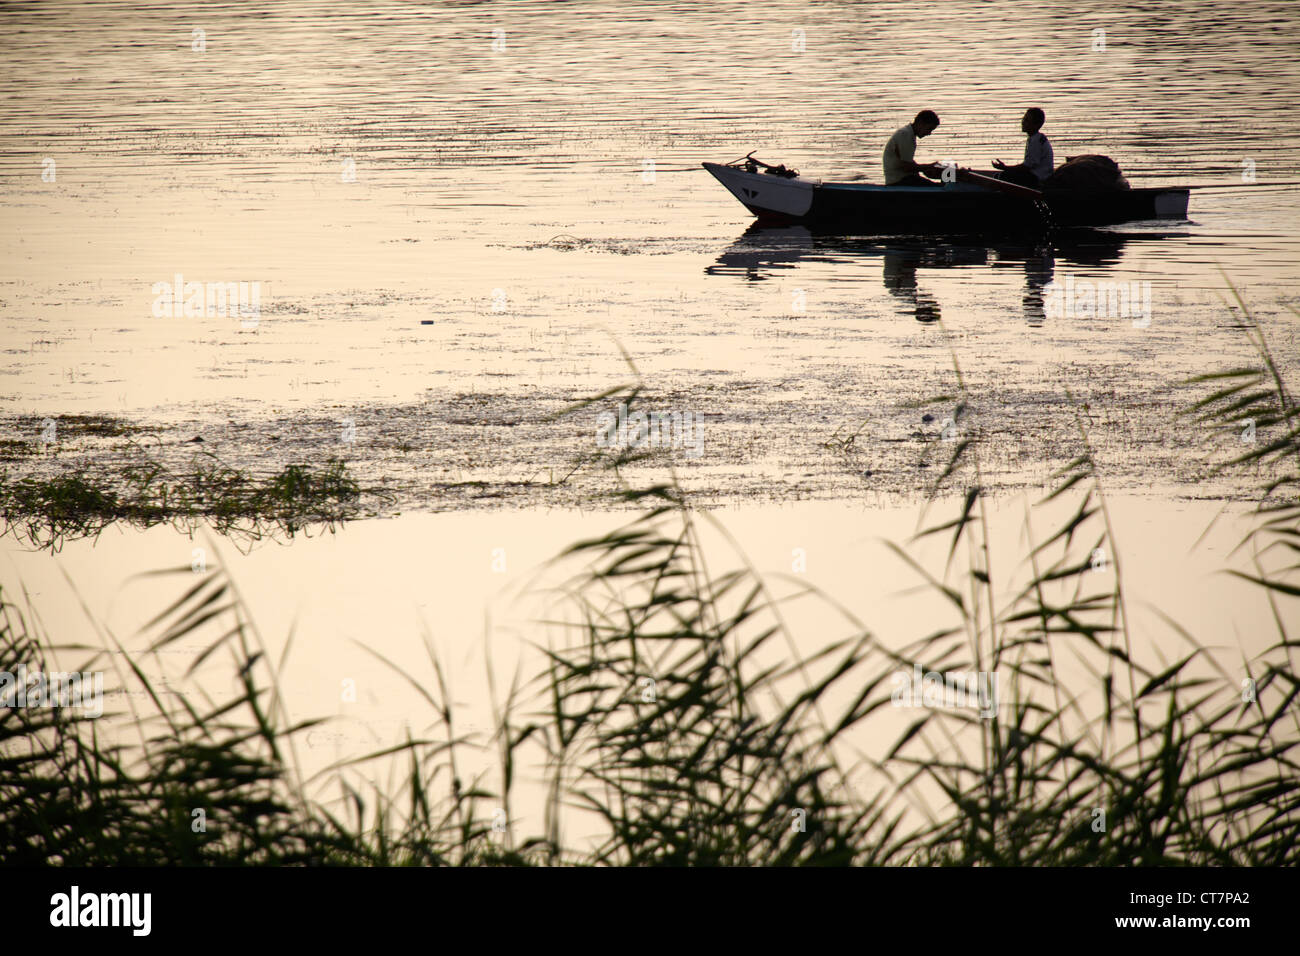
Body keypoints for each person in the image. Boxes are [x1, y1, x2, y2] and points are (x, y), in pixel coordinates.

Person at [992, 108, 1053, 187]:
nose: (1023, 122)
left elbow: (1027, 167)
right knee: (1000, 176)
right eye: (1024, 119)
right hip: (1037, 176)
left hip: (1038, 179)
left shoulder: (1036, 141)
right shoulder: (1035, 138)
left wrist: (1005, 168)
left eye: (1027, 120)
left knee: (1003, 176)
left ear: (1036, 125)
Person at [883, 110, 944, 186]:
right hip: (899, 181)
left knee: (941, 182)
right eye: (929, 129)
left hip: (906, 178)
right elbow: (906, 167)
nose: (929, 133)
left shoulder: (909, 134)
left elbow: (908, 163)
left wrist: (927, 168)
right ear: (920, 123)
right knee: (939, 187)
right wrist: (929, 166)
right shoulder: (905, 134)